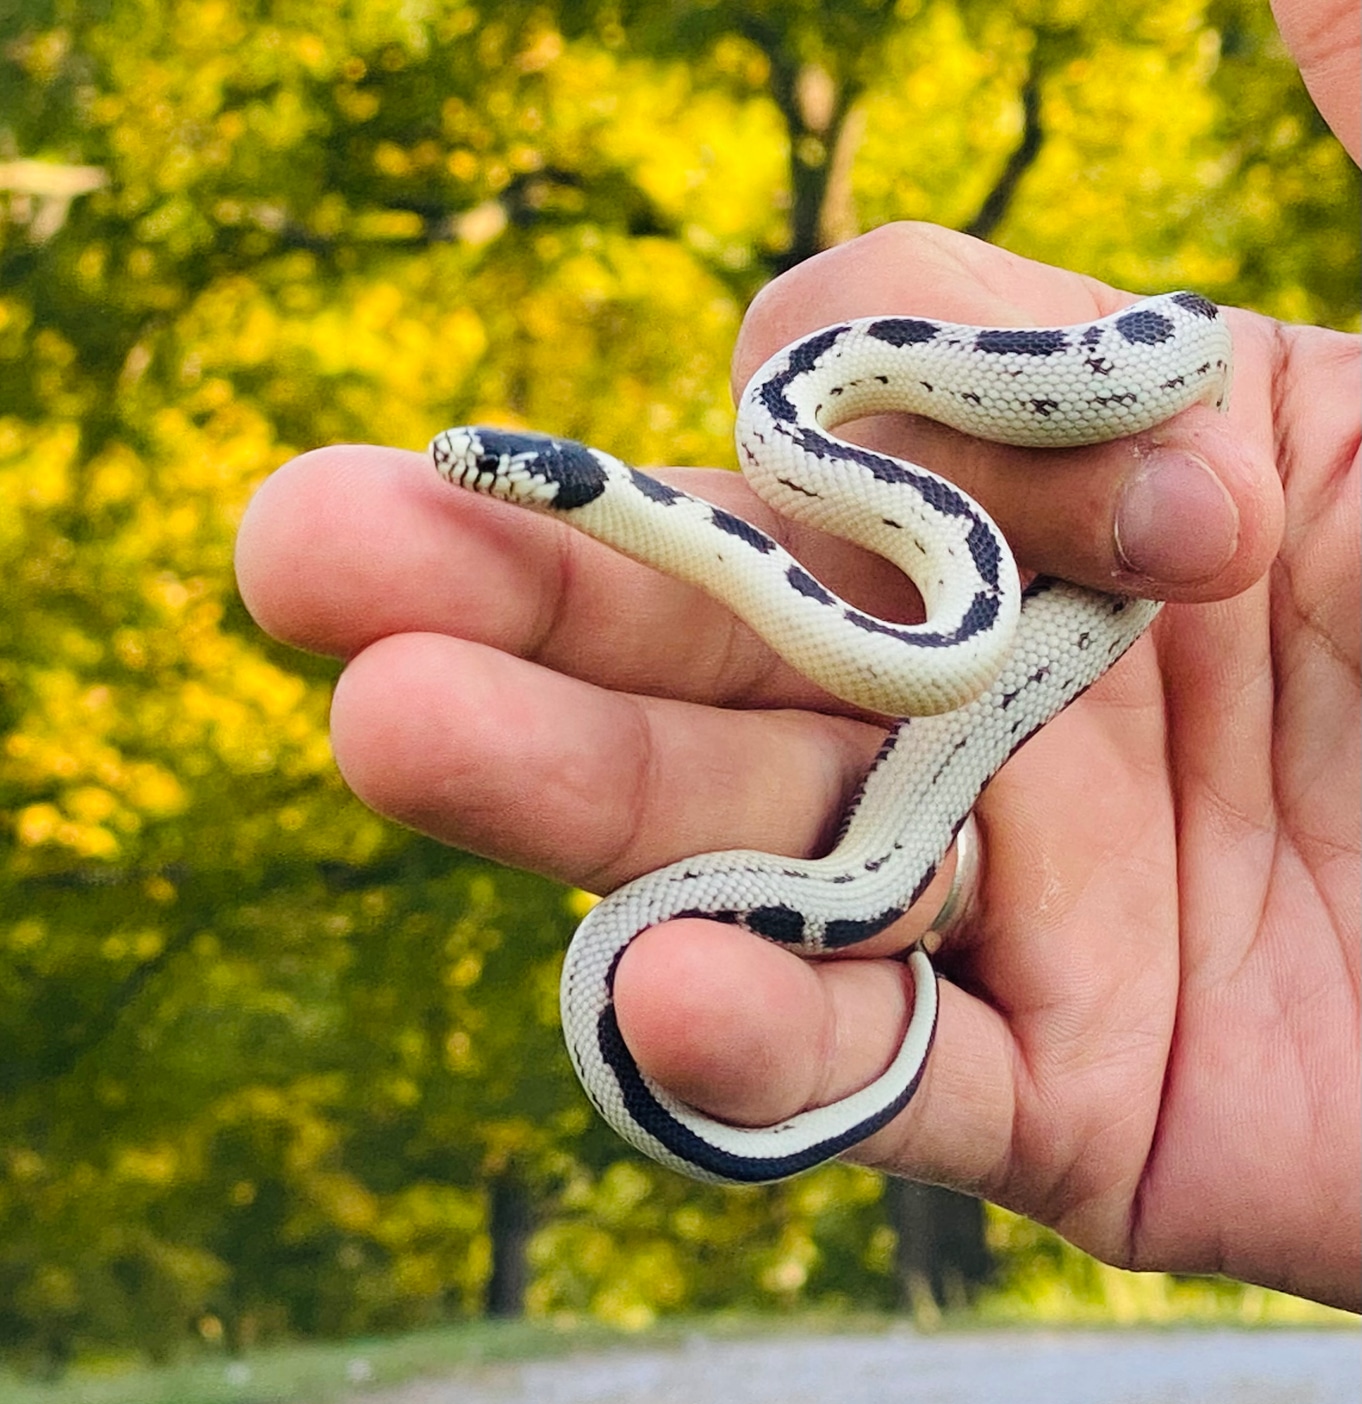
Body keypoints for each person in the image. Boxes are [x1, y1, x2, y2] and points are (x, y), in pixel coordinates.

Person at [235, 0, 1359, 1311]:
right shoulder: (786, 434)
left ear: (561, 484)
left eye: (500, 468)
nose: (482, 471)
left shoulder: (851, 456)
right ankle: (864, 883)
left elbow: (1158, 384)